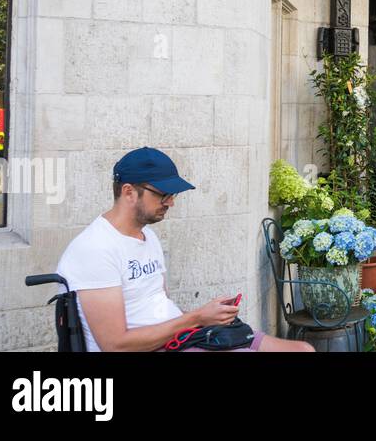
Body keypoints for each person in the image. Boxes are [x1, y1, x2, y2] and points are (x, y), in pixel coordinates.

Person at [56, 147, 312, 352]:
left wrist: (210, 317)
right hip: (159, 346)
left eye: (174, 195)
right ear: (129, 192)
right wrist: (197, 318)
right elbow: (115, 345)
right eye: (163, 194)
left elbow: (160, 307)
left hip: (181, 339)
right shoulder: (94, 249)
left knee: (302, 349)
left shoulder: (148, 237)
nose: (171, 202)